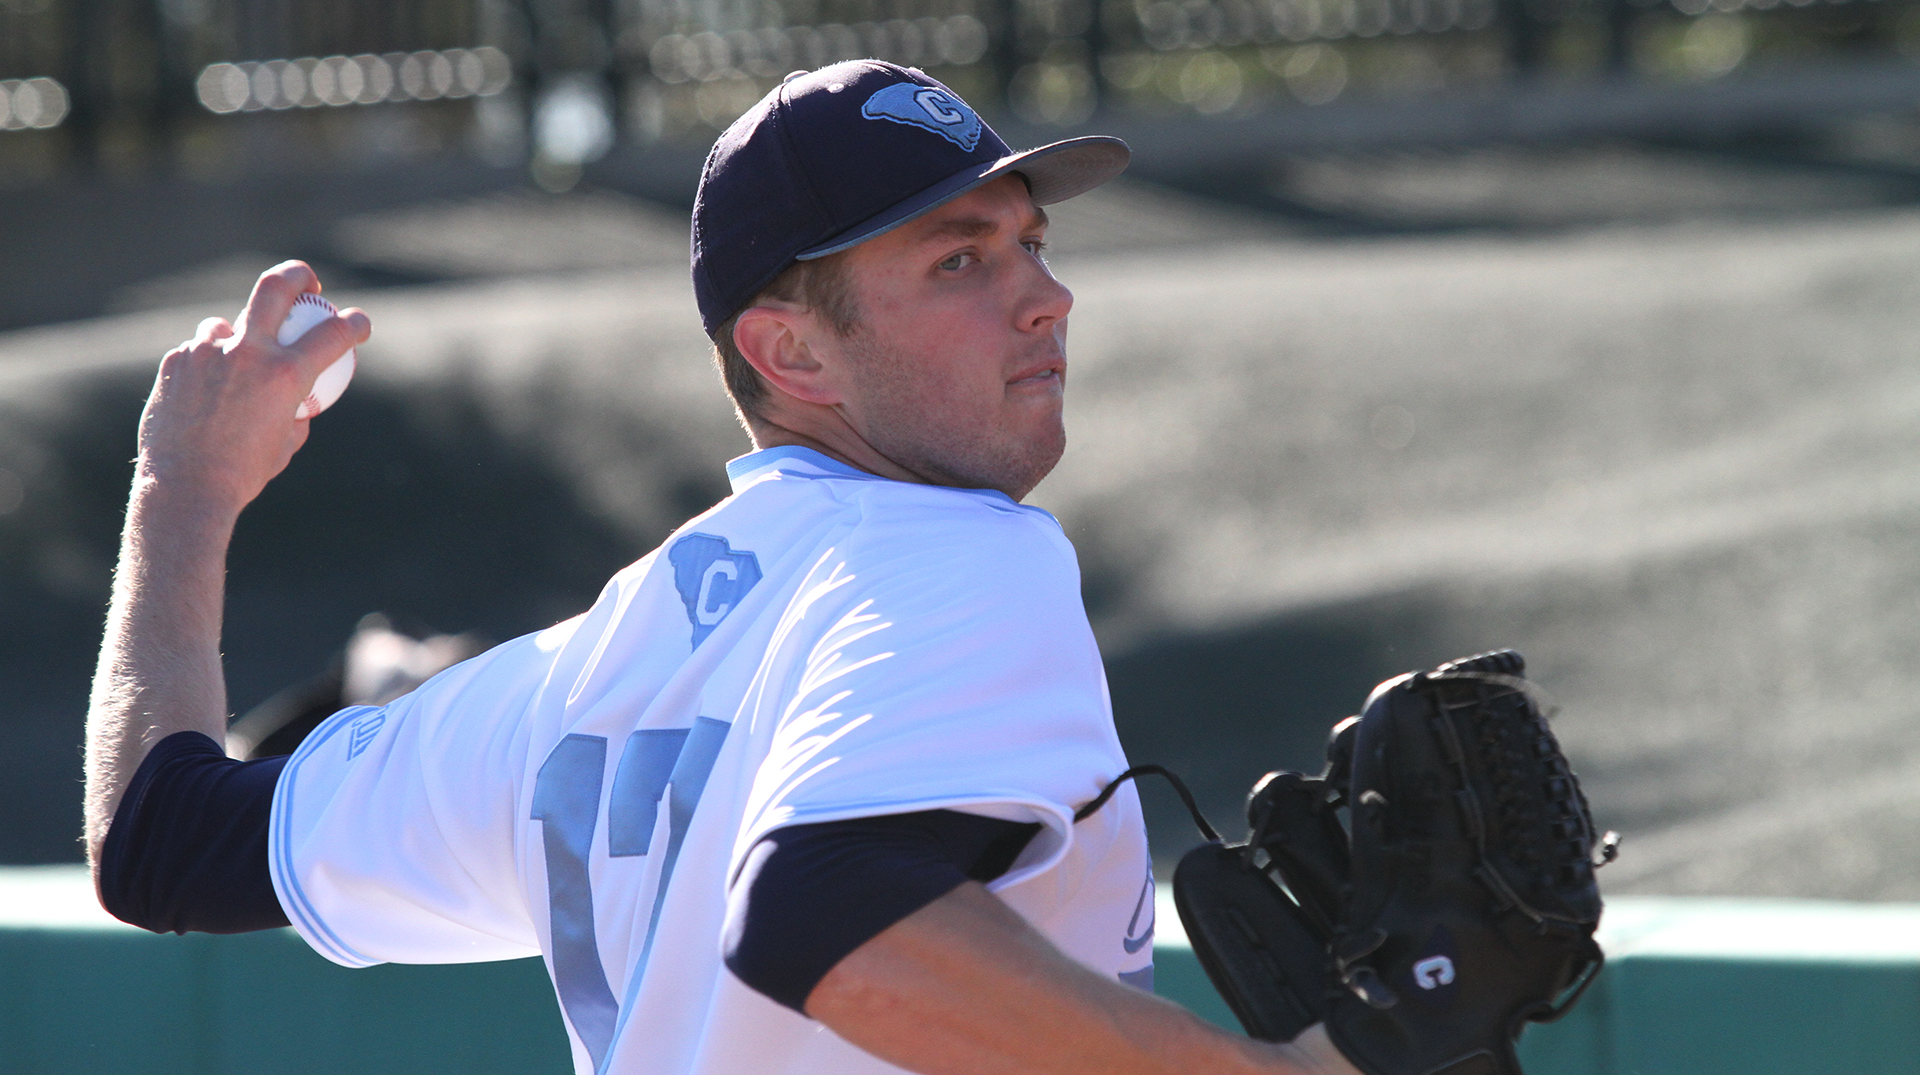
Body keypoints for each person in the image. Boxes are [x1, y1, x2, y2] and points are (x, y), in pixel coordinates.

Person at [82, 60, 1360, 1075]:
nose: (1045, 296)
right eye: (960, 259)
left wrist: (181, 492)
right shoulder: (959, 555)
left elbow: (161, 843)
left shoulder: (590, 670)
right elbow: (827, 914)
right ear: (790, 354)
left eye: (1032, 242)